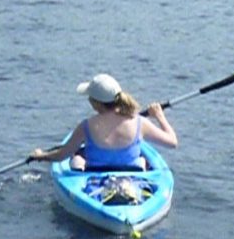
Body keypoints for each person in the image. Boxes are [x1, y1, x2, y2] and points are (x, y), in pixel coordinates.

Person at [28, 73, 178, 172]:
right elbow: (173, 142)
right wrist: (160, 116)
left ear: (96, 103)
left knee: (77, 158)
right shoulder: (140, 123)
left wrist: (40, 156)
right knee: (142, 161)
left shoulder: (86, 126)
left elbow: (61, 155)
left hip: (95, 175)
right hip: (131, 175)